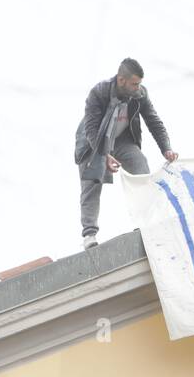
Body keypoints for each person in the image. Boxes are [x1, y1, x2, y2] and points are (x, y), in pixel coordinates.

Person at [74, 58, 177, 249]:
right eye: (134, 84)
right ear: (121, 80)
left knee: (140, 165)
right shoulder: (99, 92)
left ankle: (145, 221)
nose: (138, 88)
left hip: (122, 140)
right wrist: (104, 155)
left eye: (140, 84)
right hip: (93, 142)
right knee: (92, 183)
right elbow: (91, 129)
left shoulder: (140, 95)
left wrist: (166, 148)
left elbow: (154, 121)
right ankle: (89, 235)